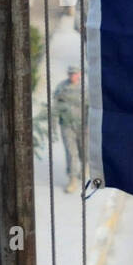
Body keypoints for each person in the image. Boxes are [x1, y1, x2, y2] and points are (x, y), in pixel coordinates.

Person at [54, 64, 84, 193]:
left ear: (80, 74)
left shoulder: (86, 89)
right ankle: (72, 179)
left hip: (83, 126)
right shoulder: (62, 88)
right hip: (67, 125)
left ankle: (85, 167)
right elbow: (55, 107)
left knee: (84, 151)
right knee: (71, 154)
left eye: (75, 73)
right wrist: (53, 126)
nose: (72, 75)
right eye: (70, 73)